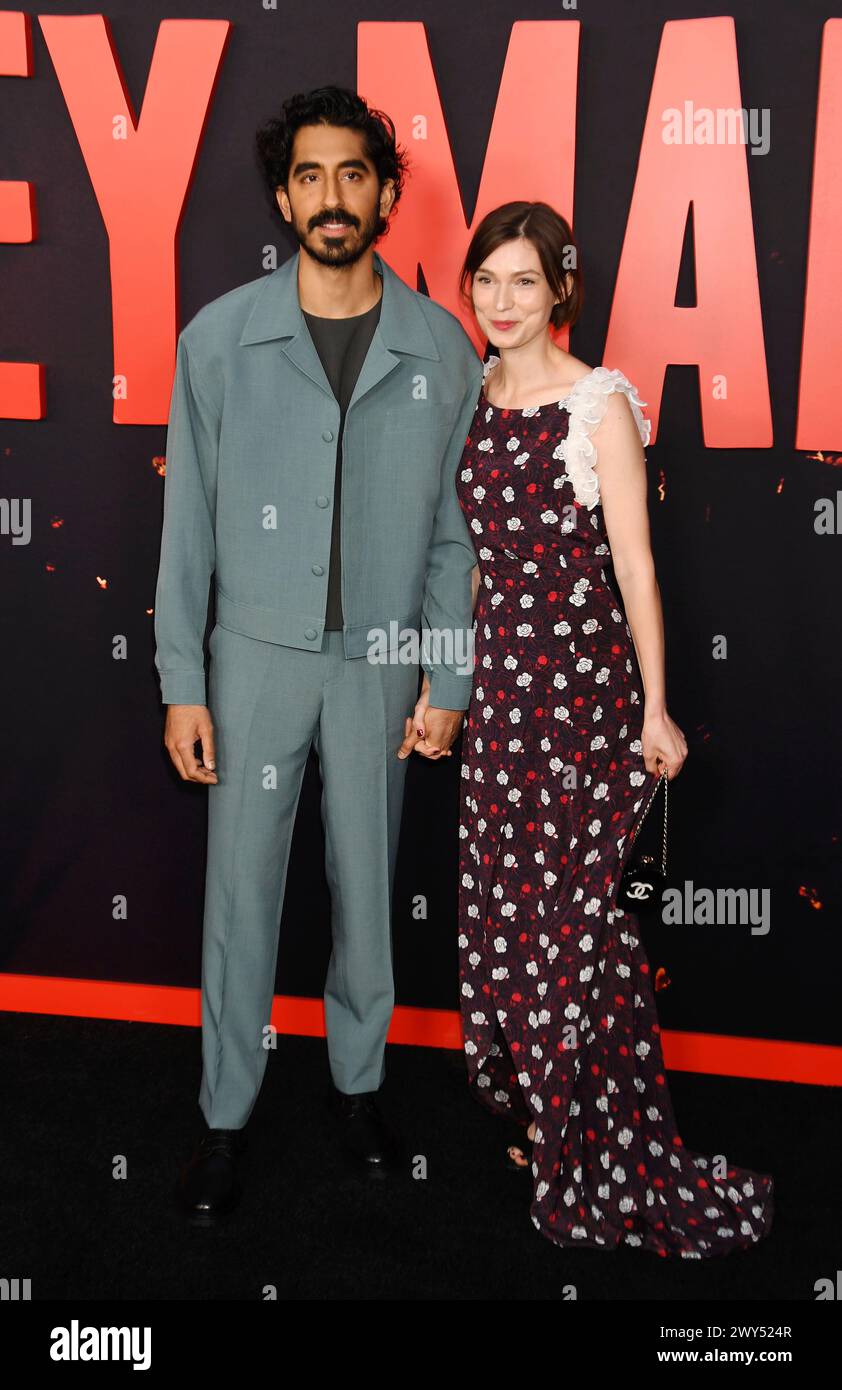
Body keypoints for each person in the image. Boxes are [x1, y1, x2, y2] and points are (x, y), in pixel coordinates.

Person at [153, 86, 482, 1224]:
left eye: (352, 173)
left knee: (367, 889)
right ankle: (224, 1119)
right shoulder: (217, 341)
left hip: (383, 663)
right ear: (282, 195)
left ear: (386, 193)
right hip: (252, 661)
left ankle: (357, 1091)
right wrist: (181, 684)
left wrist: (447, 676)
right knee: (238, 897)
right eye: (308, 175)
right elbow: (183, 529)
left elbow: (453, 534)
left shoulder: (441, 344)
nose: (331, 197)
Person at [454, 201, 774, 1257]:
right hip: (502, 700)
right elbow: (465, 562)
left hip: (582, 700)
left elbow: (632, 564)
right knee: (509, 923)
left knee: (572, 929)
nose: (501, 302)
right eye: (485, 281)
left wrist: (652, 703)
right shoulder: (471, 392)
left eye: (522, 283)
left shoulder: (597, 403)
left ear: (559, 293)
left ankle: (598, 1146)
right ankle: (558, 1116)